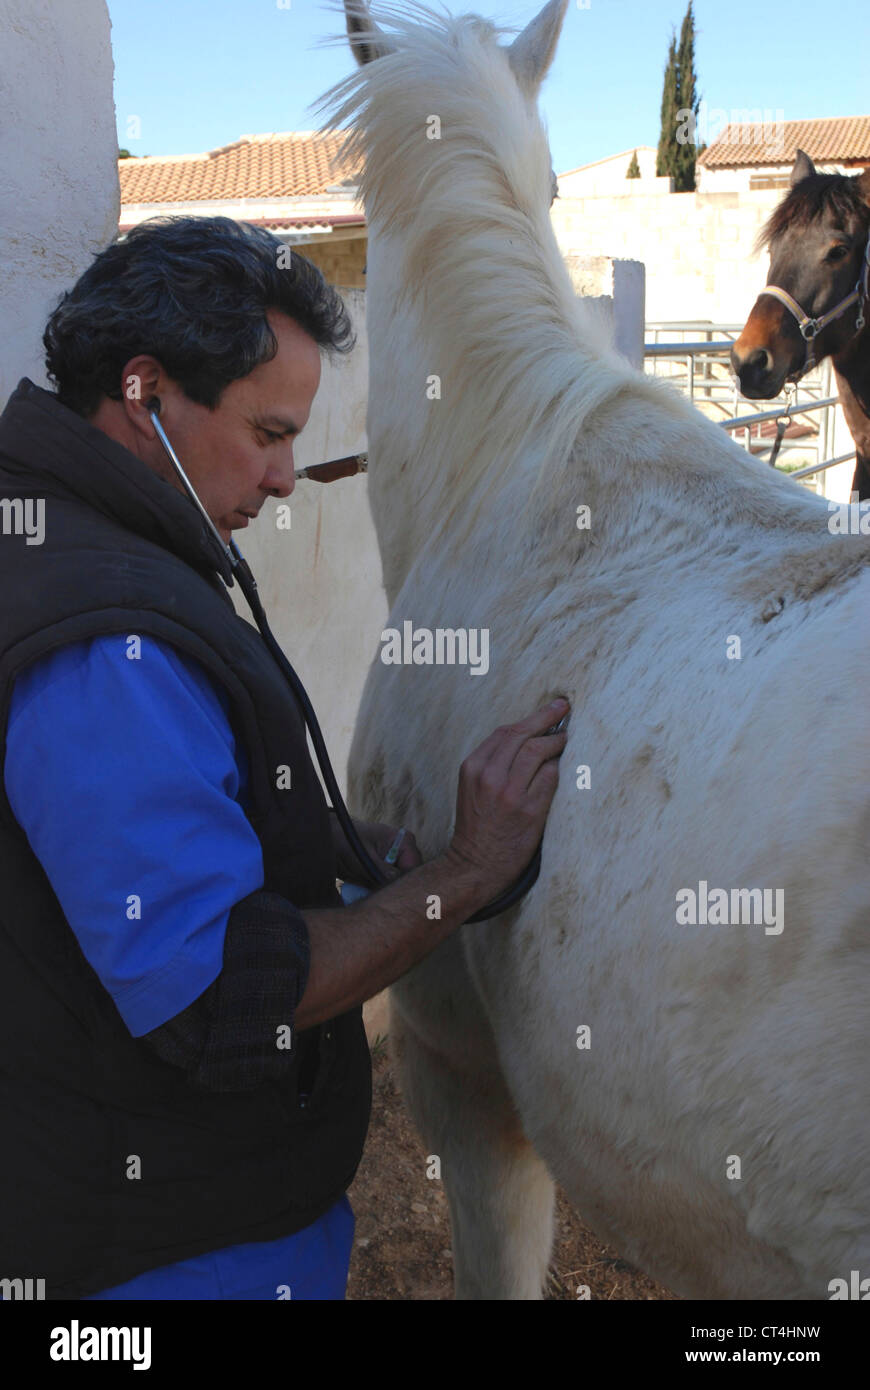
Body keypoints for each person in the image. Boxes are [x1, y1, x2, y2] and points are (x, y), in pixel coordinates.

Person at [0, 215, 568, 1300]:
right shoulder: (102, 637)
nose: (285, 478)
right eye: (267, 433)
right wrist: (468, 873)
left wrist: (346, 853)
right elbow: (215, 991)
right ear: (145, 393)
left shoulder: (72, 538)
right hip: (166, 1251)